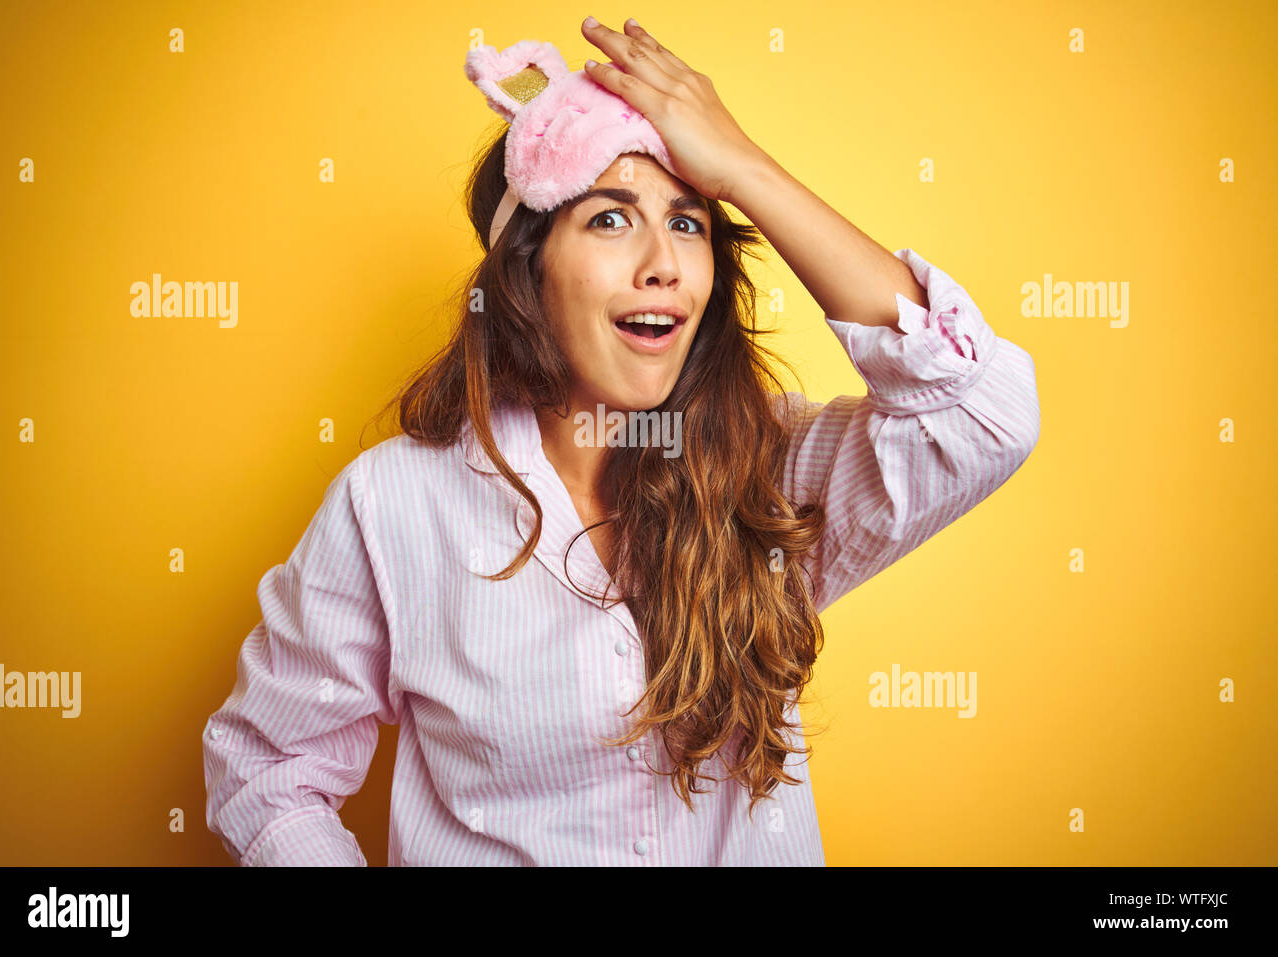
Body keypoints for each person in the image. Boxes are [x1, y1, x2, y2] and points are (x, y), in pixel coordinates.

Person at [203, 19, 1041, 866]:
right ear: (526, 271)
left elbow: (985, 415)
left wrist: (744, 170)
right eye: (610, 220)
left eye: (688, 224)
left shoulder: (770, 470)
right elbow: (267, 767)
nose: (665, 265)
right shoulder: (394, 505)